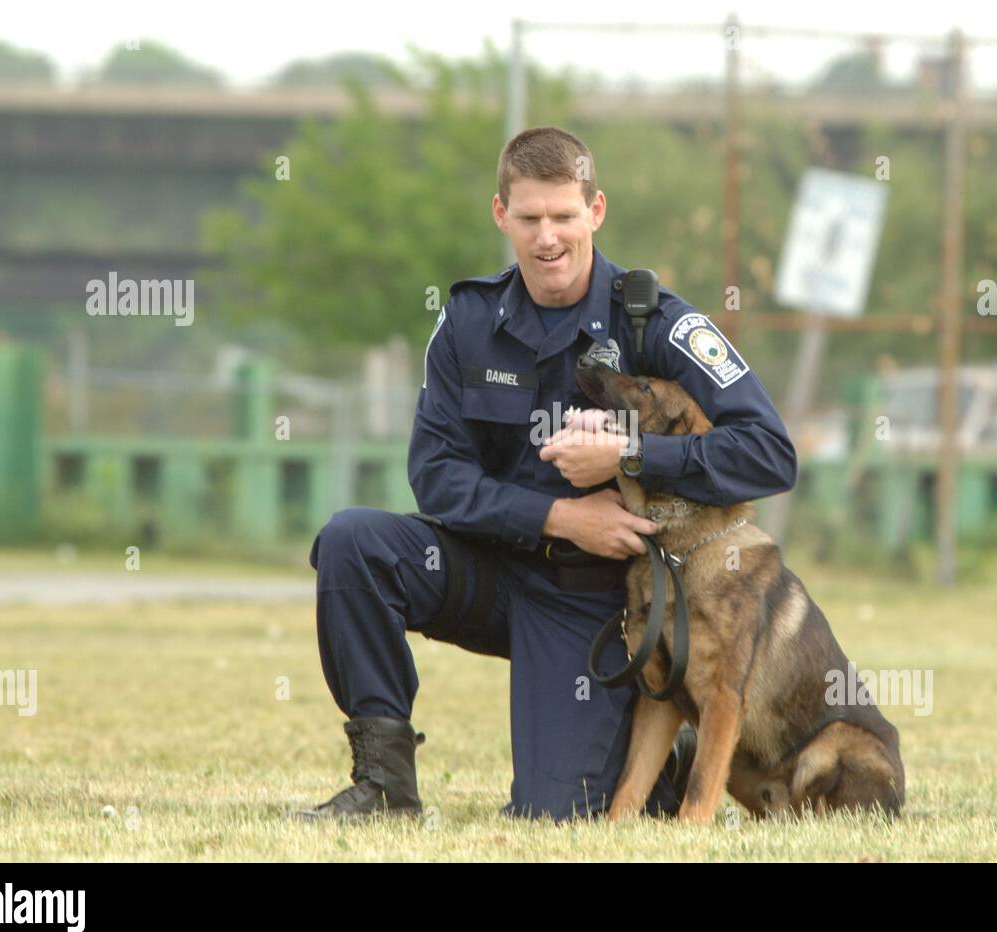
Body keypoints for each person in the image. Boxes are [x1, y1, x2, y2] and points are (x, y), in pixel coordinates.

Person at [301, 126, 797, 823]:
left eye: (563, 216)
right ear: (501, 214)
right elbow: (436, 476)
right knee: (352, 542)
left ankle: (658, 757)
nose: (547, 238)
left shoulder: (653, 319)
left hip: (594, 602)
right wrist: (557, 516)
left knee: (555, 815)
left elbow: (770, 452)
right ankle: (384, 785)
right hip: (488, 569)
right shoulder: (466, 323)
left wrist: (630, 456)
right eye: (529, 218)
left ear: (595, 211)